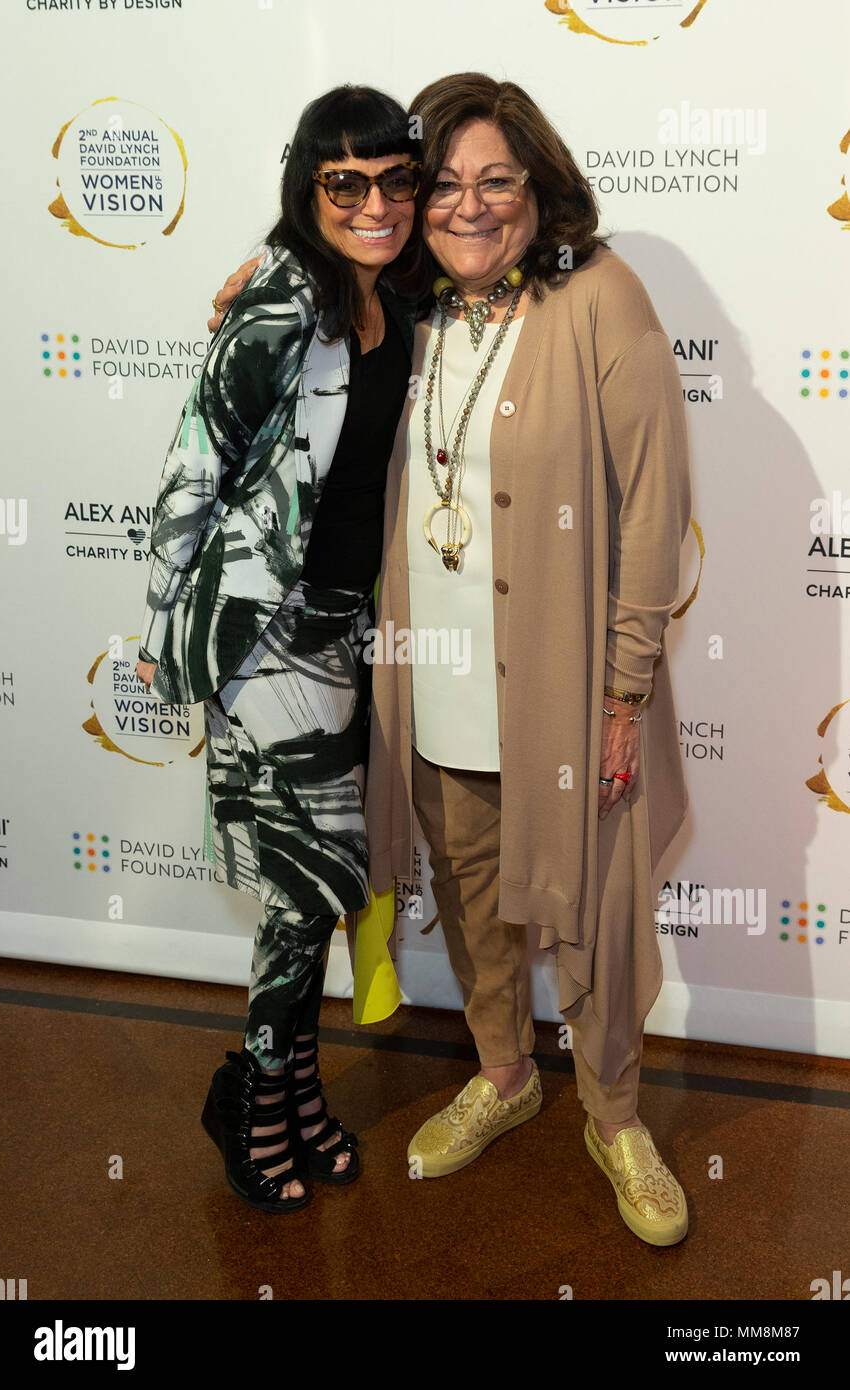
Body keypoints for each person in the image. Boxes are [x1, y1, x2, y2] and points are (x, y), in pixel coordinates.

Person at [210, 73, 692, 1246]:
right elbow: (317, 258)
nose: (468, 207)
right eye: (448, 185)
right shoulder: (401, 306)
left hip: (569, 689)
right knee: (475, 904)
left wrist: (624, 688)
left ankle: (615, 1114)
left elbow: (649, 511)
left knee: (595, 915)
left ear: (538, 188)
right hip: (434, 683)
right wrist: (255, 273)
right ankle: (504, 1073)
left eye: (497, 182)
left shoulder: (600, 299)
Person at [136, 85, 423, 1212]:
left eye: (394, 179)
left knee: (314, 883)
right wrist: (168, 634)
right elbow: (189, 468)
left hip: (342, 632)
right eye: (342, 184)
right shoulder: (277, 302)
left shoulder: (394, 295)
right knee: (306, 898)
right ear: (306, 188)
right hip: (263, 639)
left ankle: (294, 1093)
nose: (375, 203)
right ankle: (255, 1100)